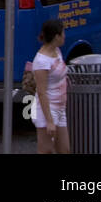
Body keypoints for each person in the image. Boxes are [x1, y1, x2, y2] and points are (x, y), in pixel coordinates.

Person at [30, 19, 70, 154]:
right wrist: (49, 121)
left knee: (64, 150)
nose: (65, 36)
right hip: (46, 110)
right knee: (46, 151)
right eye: (63, 33)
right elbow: (41, 92)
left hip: (60, 108)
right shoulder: (41, 61)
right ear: (56, 36)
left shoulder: (57, 51)